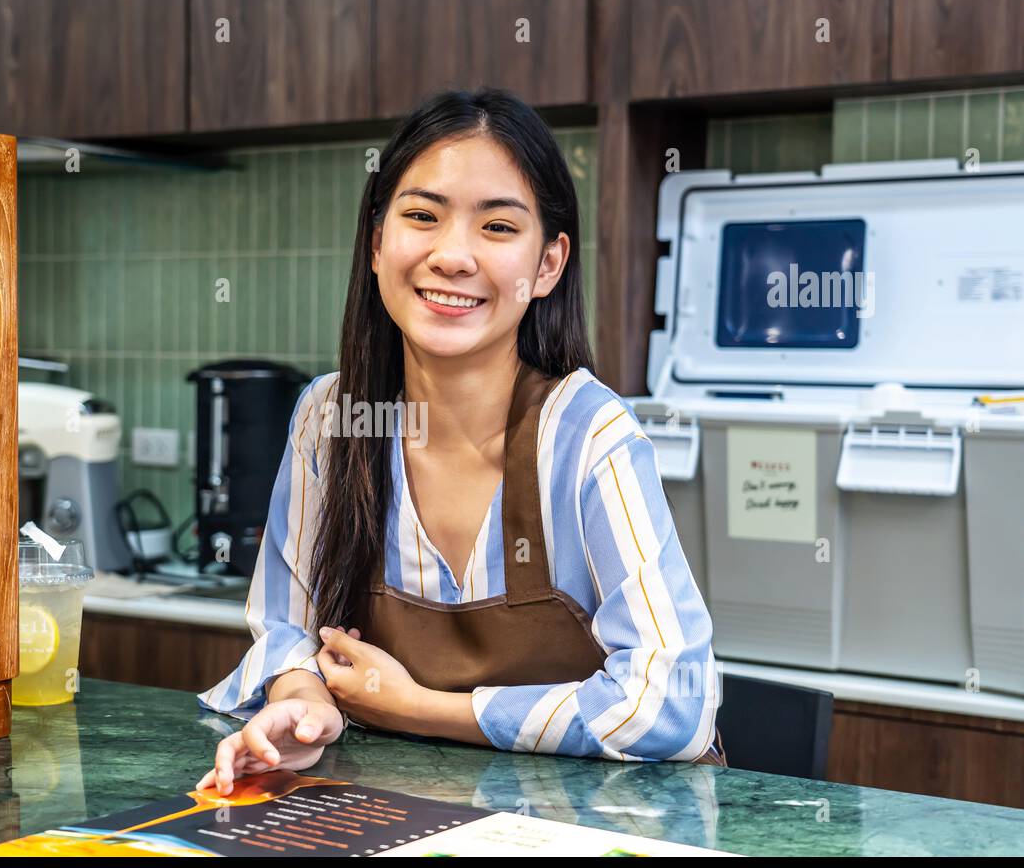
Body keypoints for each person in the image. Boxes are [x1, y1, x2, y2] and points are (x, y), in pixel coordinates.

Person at [196, 88, 725, 796]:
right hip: (399, 818)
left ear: (547, 265)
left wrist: (423, 709)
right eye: (422, 216)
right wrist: (305, 704)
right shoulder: (332, 418)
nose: (452, 256)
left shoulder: (589, 434)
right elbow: (286, 632)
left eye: (498, 228)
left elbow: (672, 703)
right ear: (378, 242)